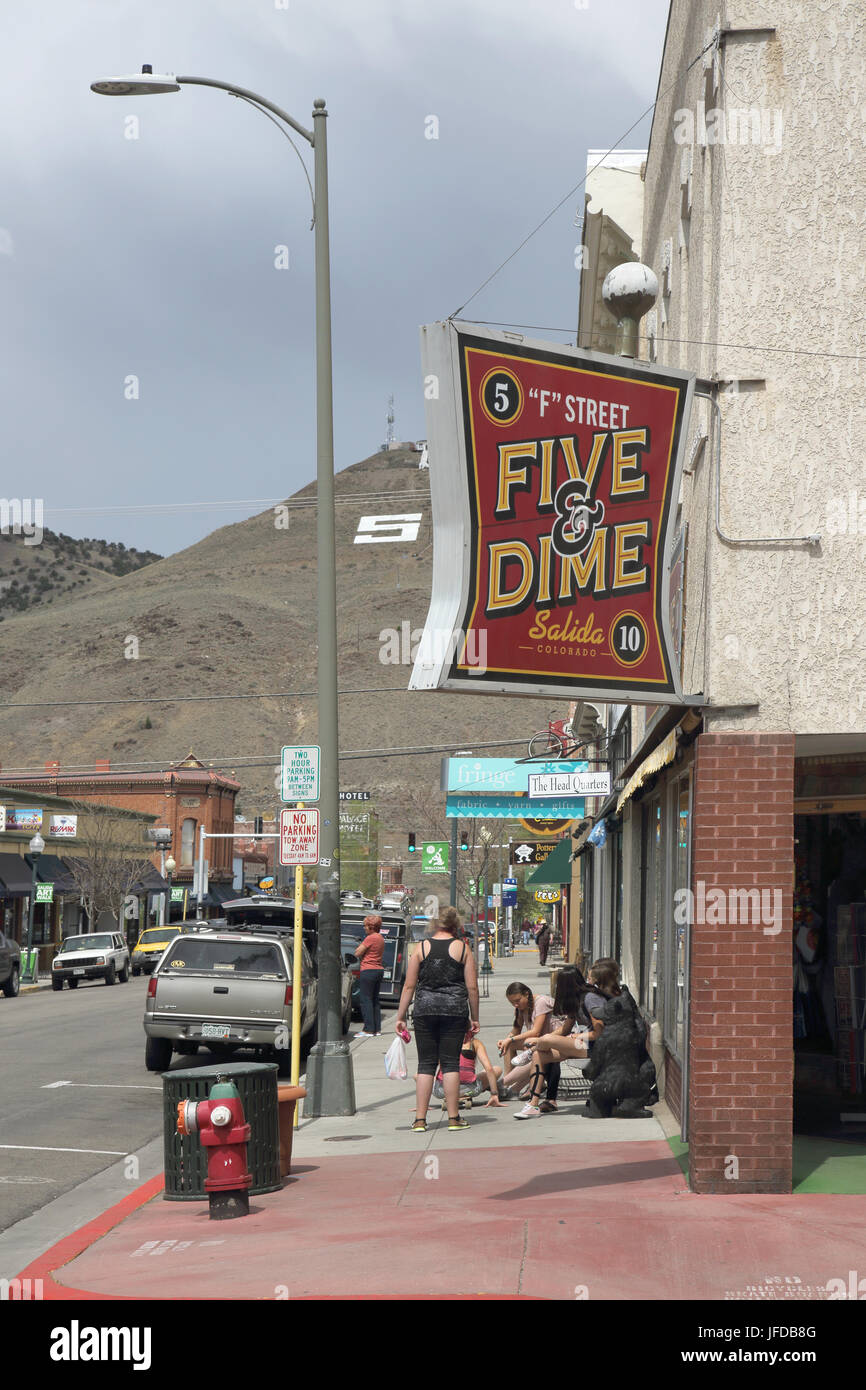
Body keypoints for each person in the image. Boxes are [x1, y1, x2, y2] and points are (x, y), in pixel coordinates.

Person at [394, 906, 479, 1132]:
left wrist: (401, 1016)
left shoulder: (421, 948)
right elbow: (471, 986)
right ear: (455, 924)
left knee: (425, 1064)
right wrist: (475, 1016)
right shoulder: (463, 949)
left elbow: (409, 985)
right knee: (451, 1063)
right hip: (454, 1010)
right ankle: (453, 1118)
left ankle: (420, 1120)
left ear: (434, 924)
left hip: (425, 1010)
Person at [518, 965, 598, 1118]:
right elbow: (564, 1030)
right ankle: (533, 1104)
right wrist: (540, 1041)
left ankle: (529, 1051)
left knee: (547, 1039)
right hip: (582, 1041)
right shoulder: (577, 1001)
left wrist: (548, 1039)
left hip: (594, 1044)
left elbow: (600, 1029)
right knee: (539, 1055)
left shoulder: (589, 999)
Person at [497, 982, 556, 1099]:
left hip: (552, 1039)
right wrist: (506, 1040)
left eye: (517, 1000)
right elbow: (516, 1029)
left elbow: (536, 1031)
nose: (515, 1005)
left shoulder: (541, 1002)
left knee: (528, 1044)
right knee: (509, 1045)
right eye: (512, 1002)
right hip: (537, 1041)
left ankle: (506, 1083)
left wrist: (511, 1039)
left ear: (526, 994)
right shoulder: (520, 1007)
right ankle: (509, 1084)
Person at [432, 1027, 506, 1108]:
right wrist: (494, 1094)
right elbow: (489, 1069)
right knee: (497, 1069)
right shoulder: (474, 1042)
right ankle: (488, 1086)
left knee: (420, 1075)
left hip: (443, 1091)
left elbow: (432, 1066)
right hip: (471, 1089)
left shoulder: (441, 1041)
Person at [353, 912, 385, 1038]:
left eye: (365, 926)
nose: (364, 928)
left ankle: (368, 1029)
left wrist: (361, 949)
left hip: (368, 970)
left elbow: (357, 952)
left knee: (365, 1000)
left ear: (371, 927)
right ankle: (377, 1028)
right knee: (375, 1000)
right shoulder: (380, 938)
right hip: (378, 969)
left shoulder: (371, 938)